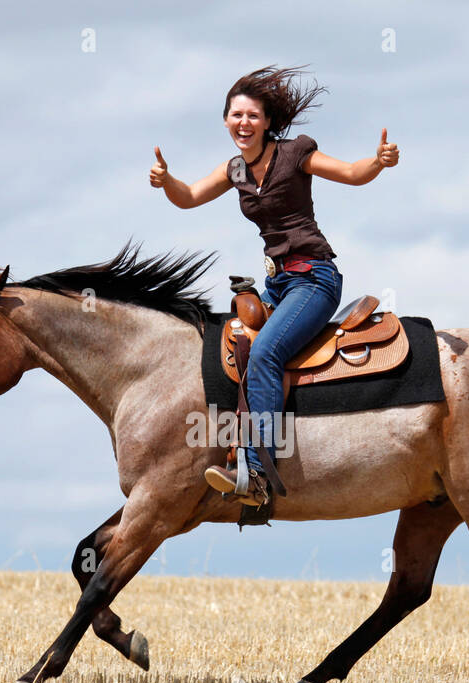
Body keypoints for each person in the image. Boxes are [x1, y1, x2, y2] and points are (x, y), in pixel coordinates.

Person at [149, 64, 399, 506]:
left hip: (315, 279)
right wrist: (166, 180)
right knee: (231, 345)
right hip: (278, 283)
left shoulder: (295, 153)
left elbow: (351, 173)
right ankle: (231, 452)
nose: (243, 123)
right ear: (226, 121)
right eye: (235, 116)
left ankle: (258, 471)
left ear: (267, 122)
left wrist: (377, 163)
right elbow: (187, 197)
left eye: (252, 116)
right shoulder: (235, 171)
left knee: (266, 353)